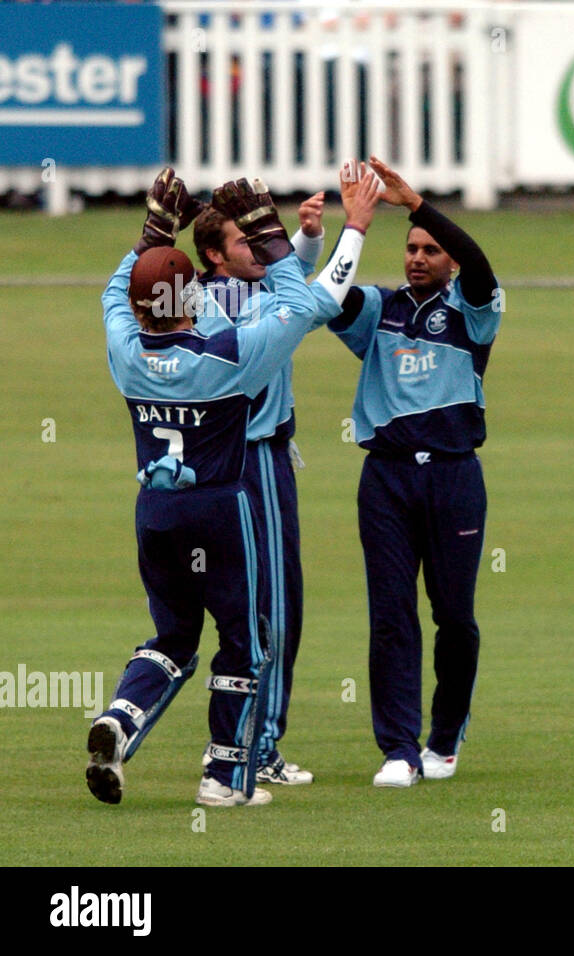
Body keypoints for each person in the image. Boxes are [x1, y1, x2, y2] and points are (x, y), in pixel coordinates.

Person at [86, 168, 379, 807]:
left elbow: (114, 291)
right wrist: (270, 233)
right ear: (191, 295)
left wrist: (151, 235)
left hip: (154, 510)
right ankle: (225, 778)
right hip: (222, 506)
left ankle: (121, 718)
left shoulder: (126, 351)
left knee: (171, 638)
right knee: (246, 639)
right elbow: (304, 306)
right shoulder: (229, 355)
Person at [326, 156, 501, 788]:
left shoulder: (475, 311)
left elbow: (478, 261)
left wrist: (418, 205)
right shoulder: (379, 310)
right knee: (390, 614)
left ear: (447, 259)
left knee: (453, 618)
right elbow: (327, 297)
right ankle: (398, 748)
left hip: (454, 480)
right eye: (411, 249)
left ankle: (445, 736)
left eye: (430, 249)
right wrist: (355, 225)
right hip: (387, 481)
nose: (419, 257)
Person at [189, 190, 329, 786]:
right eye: (246, 242)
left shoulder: (193, 297)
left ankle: (228, 741)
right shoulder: (252, 296)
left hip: (203, 467)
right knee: (275, 606)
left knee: (230, 611)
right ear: (218, 256)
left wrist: (305, 238)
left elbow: (287, 274)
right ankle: (258, 747)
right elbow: (315, 296)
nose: (261, 250)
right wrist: (356, 230)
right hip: (257, 460)